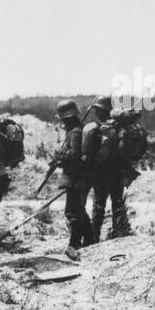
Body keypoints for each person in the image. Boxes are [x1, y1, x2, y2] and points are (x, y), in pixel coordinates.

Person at [83, 96, 131, 241]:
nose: (96, 113)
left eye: (97, 110)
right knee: (117, 203)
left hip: (101, 172)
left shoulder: (100, 129)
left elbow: (92, 154)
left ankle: (94, 236)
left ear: (101, 110)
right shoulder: (120, 128)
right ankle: (119, 233)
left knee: (99, 205)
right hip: (117, 172)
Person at [55, 99, 93, 249]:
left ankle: (74, 244)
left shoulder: (75, 133)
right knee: (79, 211)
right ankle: (90, 240)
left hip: (76, 178)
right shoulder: (76, 130)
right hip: (79, 178)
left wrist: (61, 156)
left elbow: (75, 155)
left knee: (72, 213)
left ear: (65, 119)